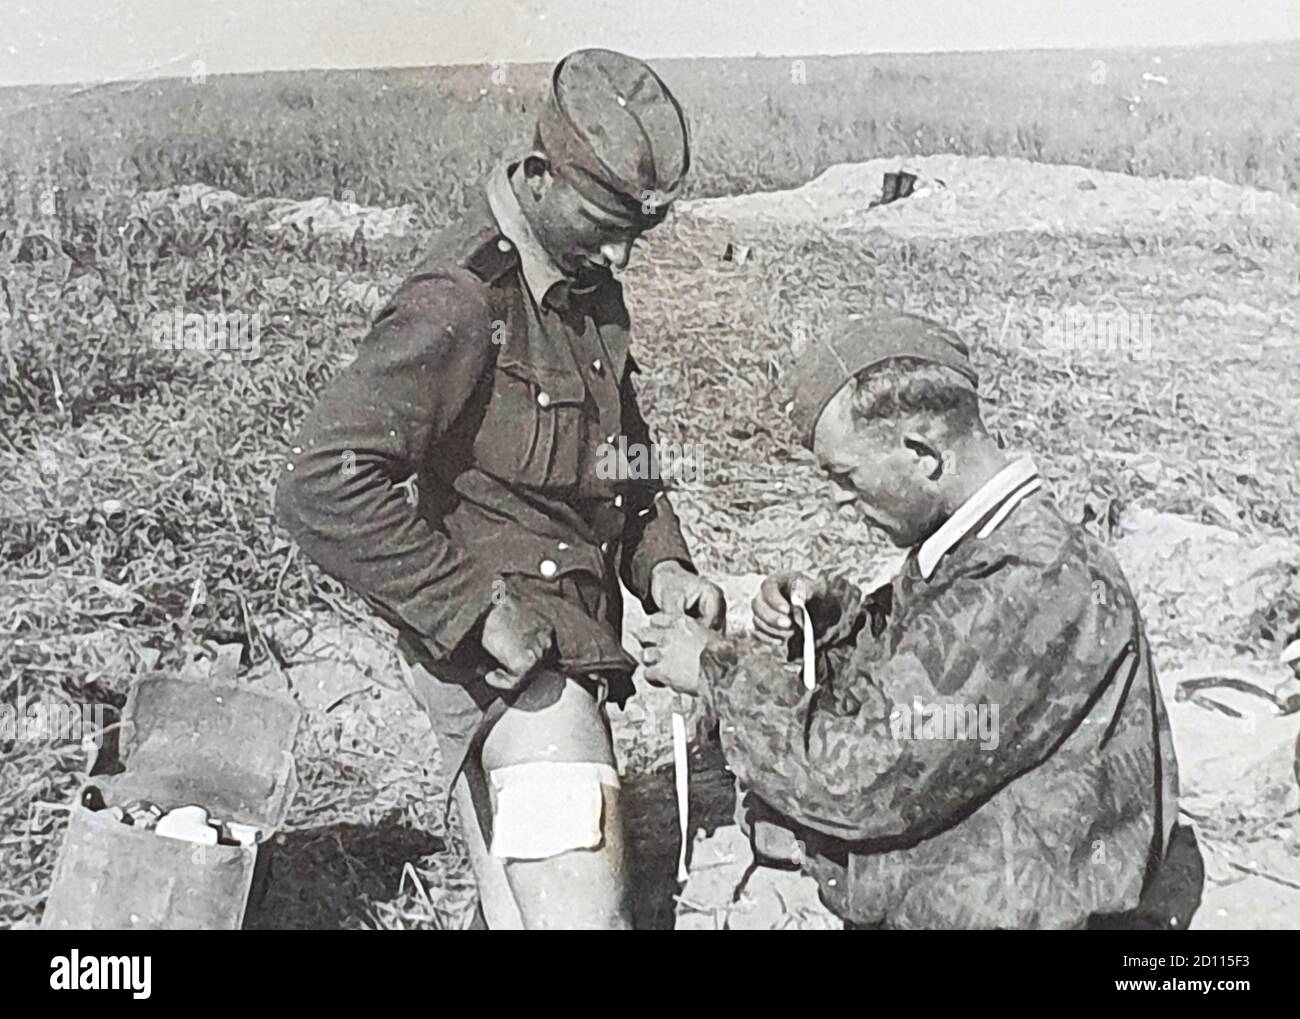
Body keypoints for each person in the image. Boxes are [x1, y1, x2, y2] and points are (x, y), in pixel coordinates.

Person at [276, 48, 724, 930]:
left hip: (566, 634)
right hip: (508, 664)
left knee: (524, 912)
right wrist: (473, 607)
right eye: (604, 220)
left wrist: (666, 567)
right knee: (582, 917)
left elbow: (618, 462)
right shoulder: (462, 298)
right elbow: (319, 483)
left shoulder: (585, 281)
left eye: (637, 228)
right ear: (543, 177)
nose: (623, 250)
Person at [637, 310, 1197, 930]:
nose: (843, 501)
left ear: (924, 453)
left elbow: (852, 778)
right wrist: (829, 627)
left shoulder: (1024, 578)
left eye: (846, 477)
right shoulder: (987, 546)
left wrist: (717, 671)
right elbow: (923, 664)